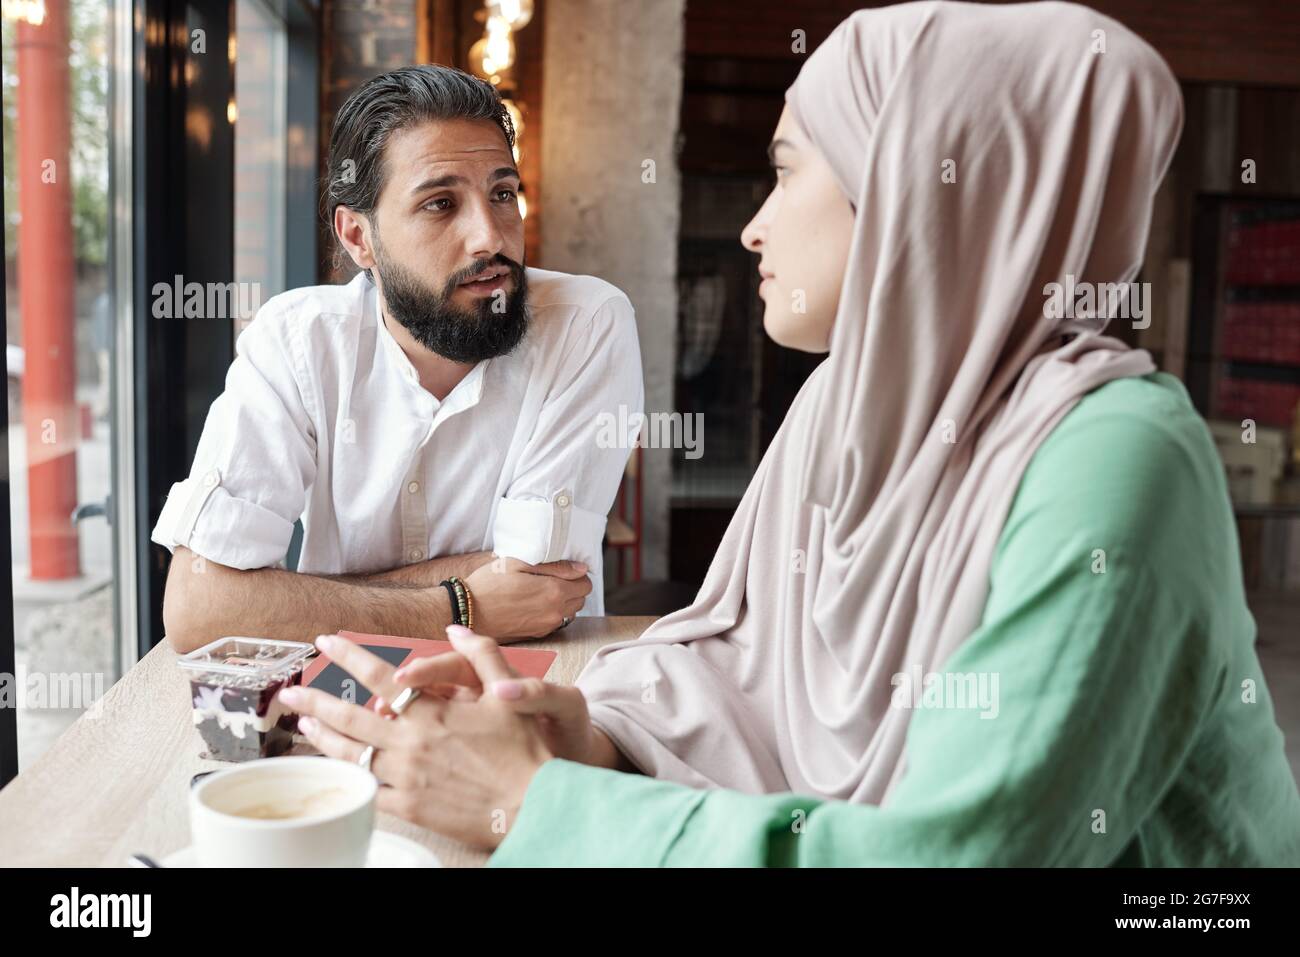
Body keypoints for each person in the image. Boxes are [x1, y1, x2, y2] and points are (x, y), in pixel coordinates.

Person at [277, 2, 1300, 865]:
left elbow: (959, 852)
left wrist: (534, 805)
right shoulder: (842, 403)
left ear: (904, 190)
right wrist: (582, 737)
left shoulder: (1117, 452)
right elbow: (744, 672)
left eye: (785, 171)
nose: (752, 226)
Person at [153, 66, 643, 653]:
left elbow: (539, 592)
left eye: (503, 194)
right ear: (359, 238)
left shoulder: (585, 323)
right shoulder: (297, 341)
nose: (489, 236)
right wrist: (461, 604)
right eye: (441, 203)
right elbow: (200, 608)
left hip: (524, 680)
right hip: (342, 686)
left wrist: (290, 599)